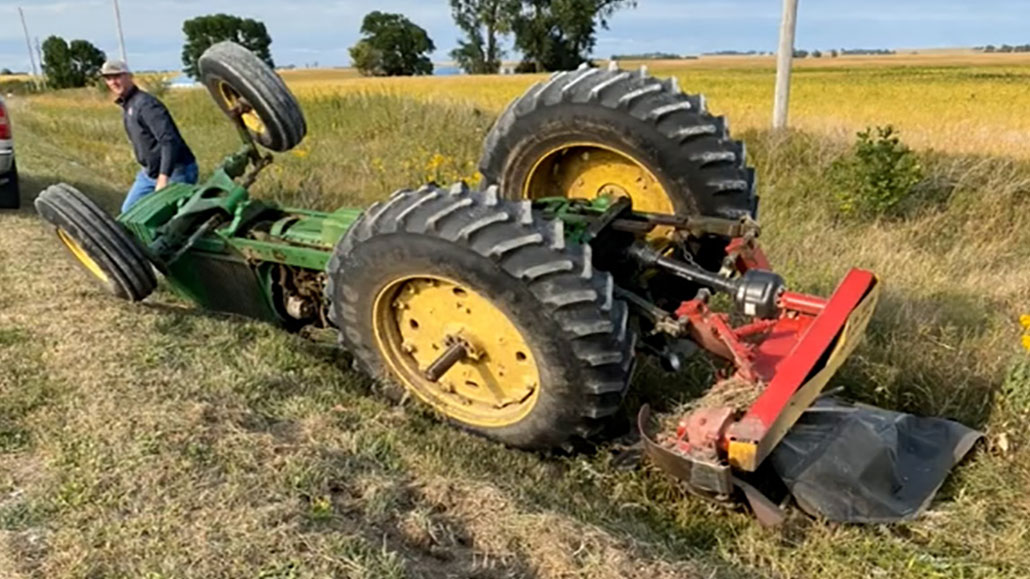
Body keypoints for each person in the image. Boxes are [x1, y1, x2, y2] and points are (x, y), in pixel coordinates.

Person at [100, 59, 199, 213]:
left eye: (117, 76)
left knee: (167, 220)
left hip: (175, 171)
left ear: (129, 76)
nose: (113, 82)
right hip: (149, 173)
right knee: (129, 212)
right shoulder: (128, 104)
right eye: (108, 78)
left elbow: (169, 141)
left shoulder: (146, 104)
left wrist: (163, 177)